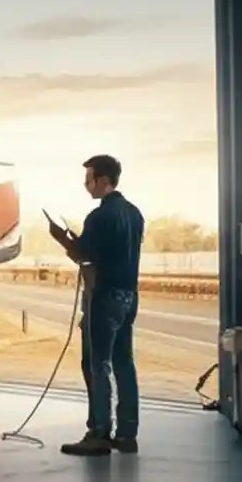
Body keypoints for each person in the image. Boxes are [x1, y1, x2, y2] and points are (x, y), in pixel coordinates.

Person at [47, 154, 145, 456]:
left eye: (89, 178)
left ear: (103, 180)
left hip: (103, 296)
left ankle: (99, 432)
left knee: (97, 364)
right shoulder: (135, 214)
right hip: (129, 296)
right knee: (124, 362)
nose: (86, 184)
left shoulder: (98, 217)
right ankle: (127, 435)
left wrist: (63, 240)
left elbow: (85, 255)